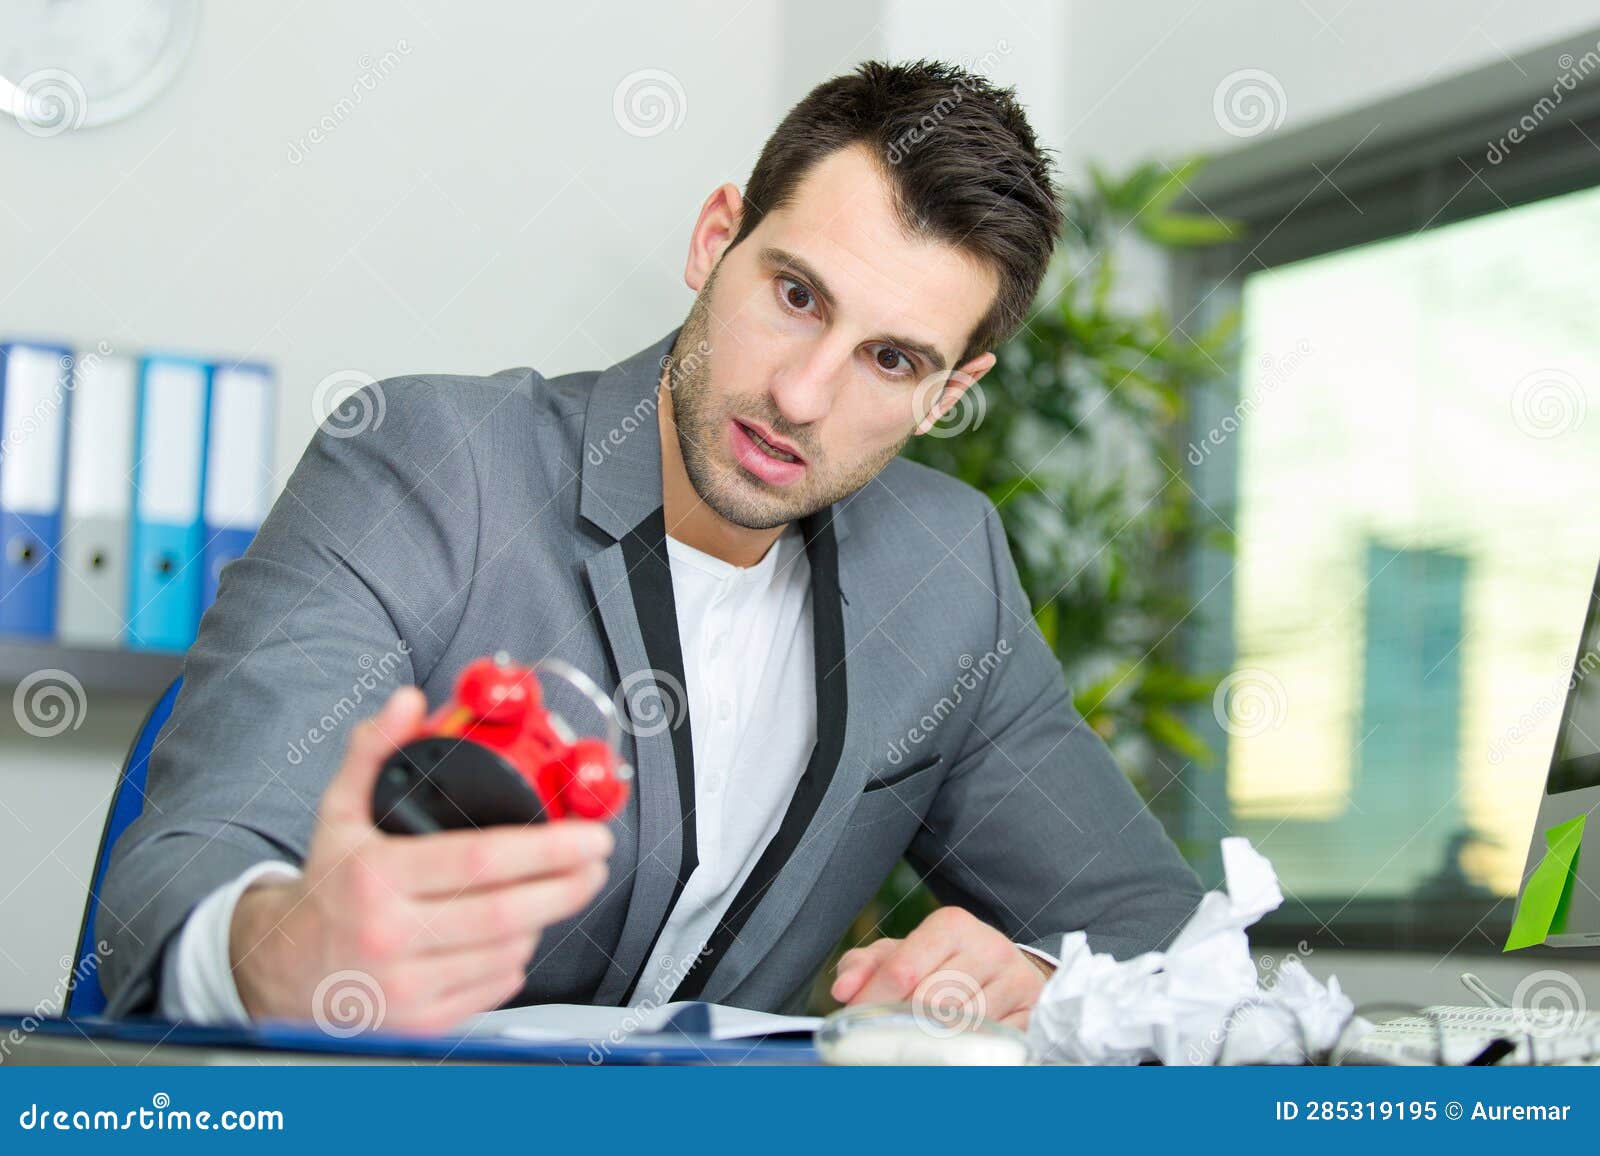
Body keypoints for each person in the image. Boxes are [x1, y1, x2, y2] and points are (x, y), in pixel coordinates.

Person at [99, 59, 1203, 1032]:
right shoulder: (431, 464)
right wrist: (284, 949)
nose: (800, 394)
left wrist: (1040, 972)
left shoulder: (946, 565)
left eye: (892, 360)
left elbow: (1156, 927)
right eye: (795, 294)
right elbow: (188, 859)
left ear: (948, 393)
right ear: (714, 238)